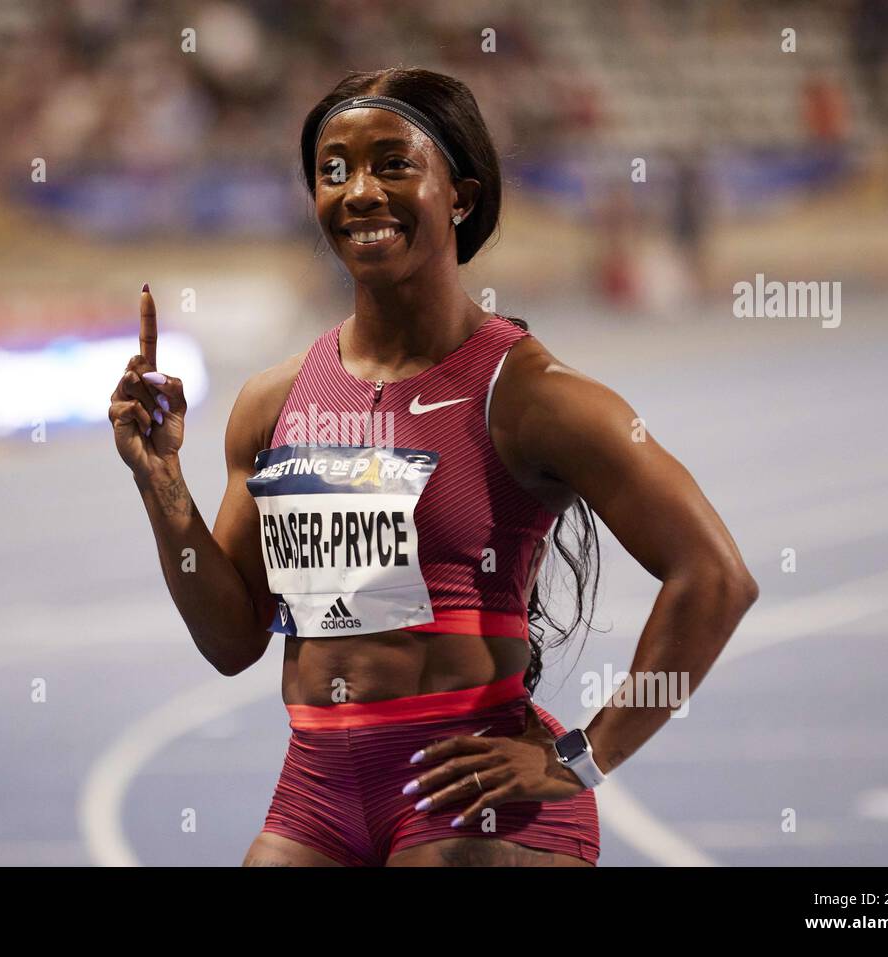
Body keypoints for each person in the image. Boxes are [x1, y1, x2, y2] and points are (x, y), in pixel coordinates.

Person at [109, 68, 759, 867]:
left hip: (474, 802)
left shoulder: (530, 395)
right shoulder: (272, 402)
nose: (359, 191)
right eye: (333, 169)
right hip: (315, 795)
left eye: (393, 163)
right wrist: (160, 481)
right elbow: (232, 637)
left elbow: (716, 576)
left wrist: (583, 756)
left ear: (461, 194)